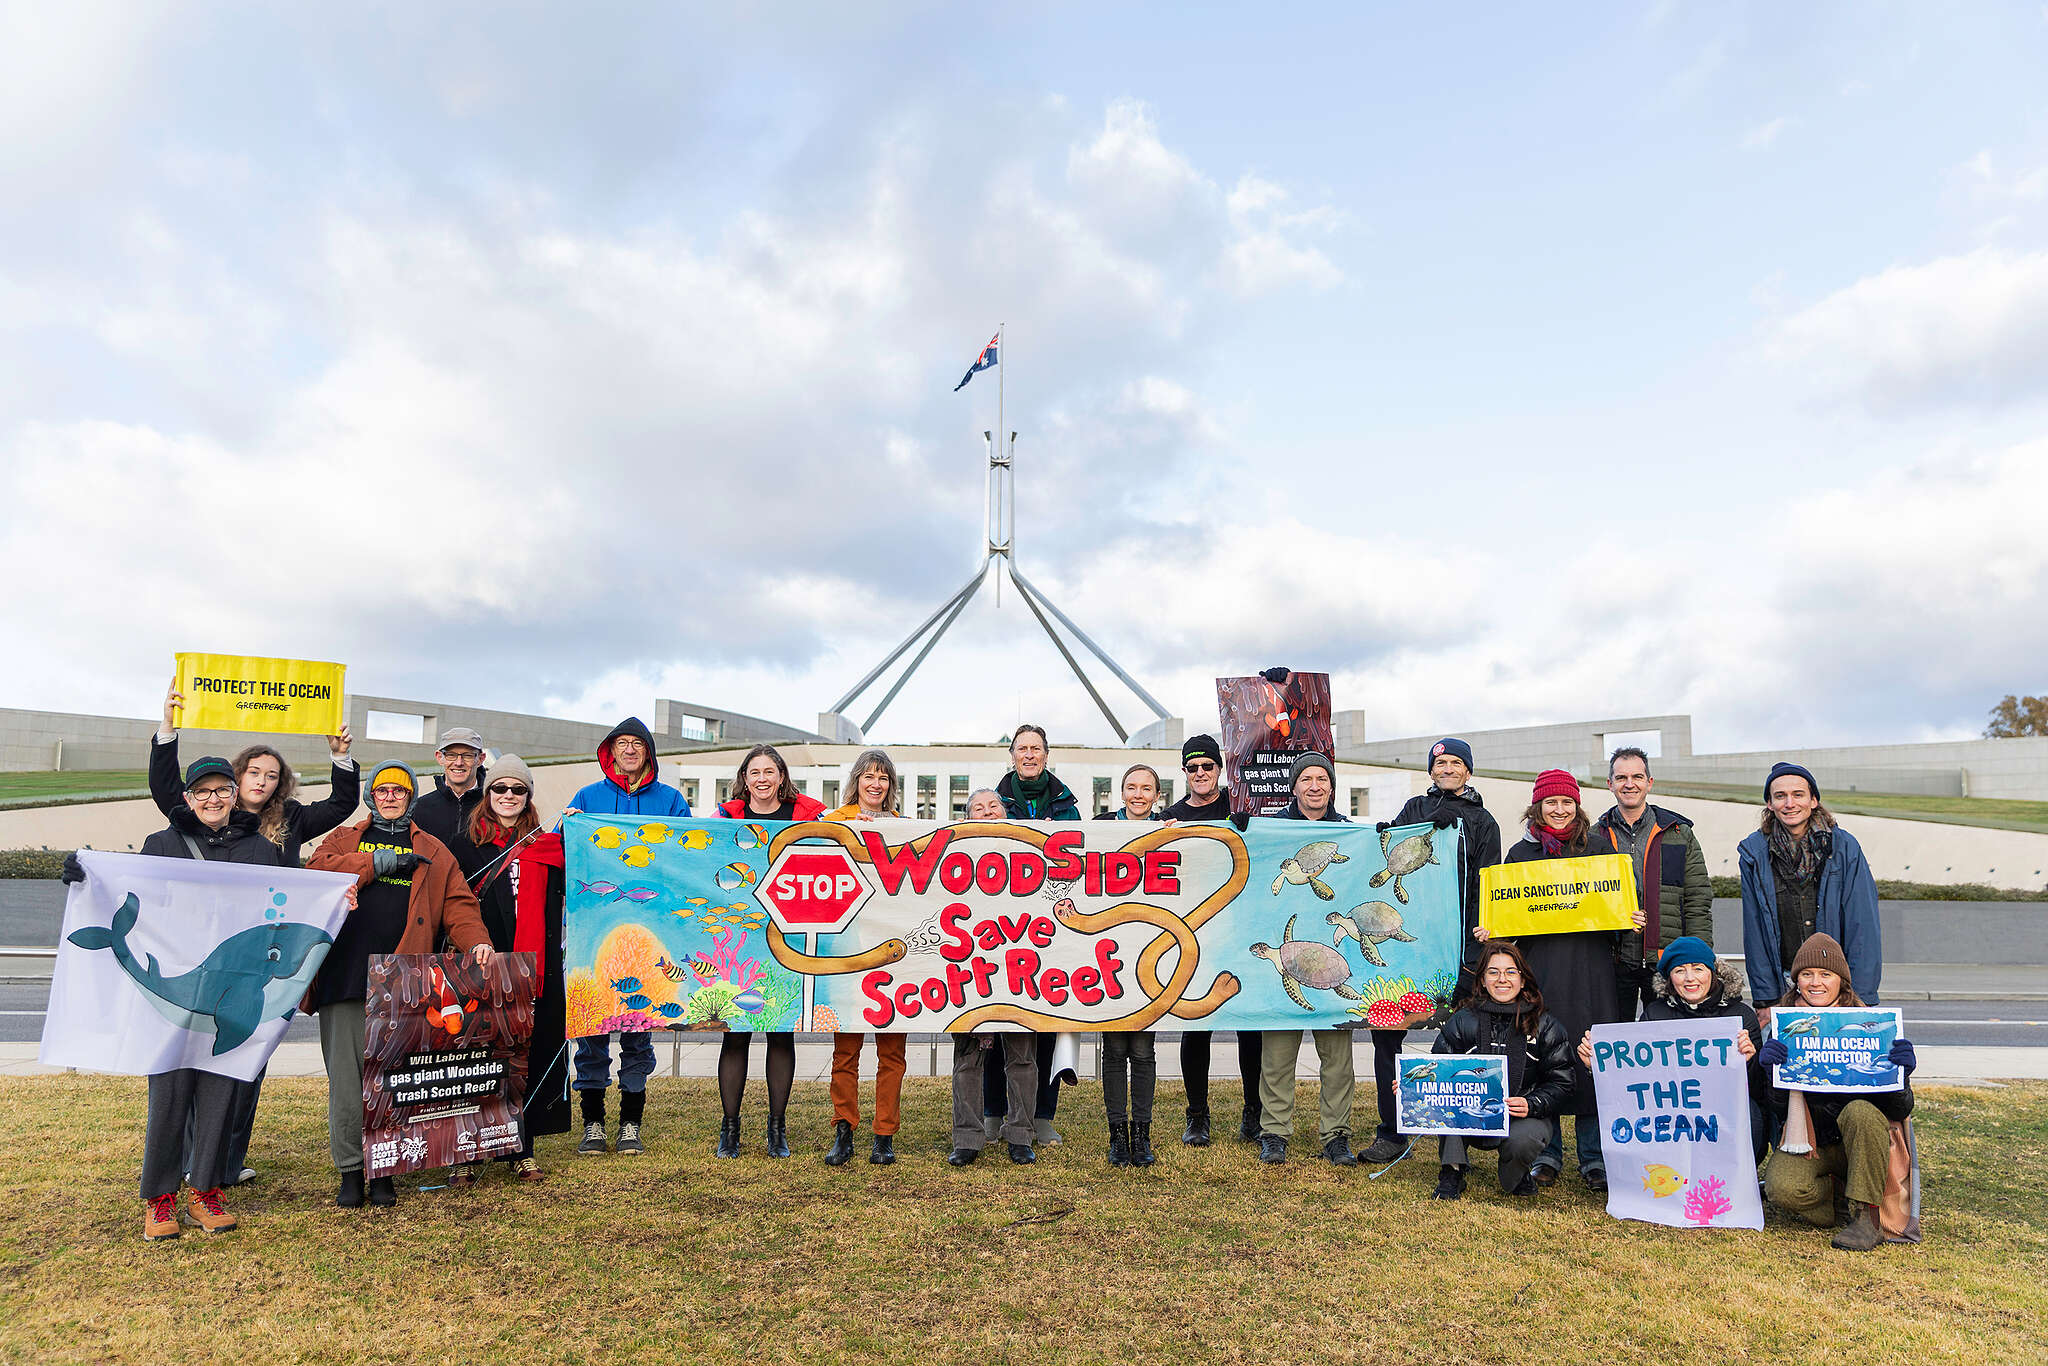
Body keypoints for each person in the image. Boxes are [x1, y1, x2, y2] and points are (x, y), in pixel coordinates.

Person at [148, 683, 361, 1188]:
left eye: (271, 775)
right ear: (234, 777)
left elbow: (341, 806)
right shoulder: (193, 822)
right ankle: (188, 1162)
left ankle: (224, 1162)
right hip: (201, 951)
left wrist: (342, 757)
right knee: (193, 1059)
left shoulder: (288, 821)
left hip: (260, 954)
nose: (261, 781)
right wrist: (168, 729)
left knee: (246, 1060)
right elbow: (164, 789)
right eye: (253, 773)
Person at [103, 754, 290, 1239]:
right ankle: (160, 1198)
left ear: (235, 794)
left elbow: (286, 903)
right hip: (178, 987)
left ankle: (206, 1189)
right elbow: (133, 895)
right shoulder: (163, 844)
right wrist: (85, 877)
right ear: (187, 797)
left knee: (221, 1089)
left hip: (231, 992)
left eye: (222, 789)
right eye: (202, 791)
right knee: (169, 1093)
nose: (213, 799)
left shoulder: (260, 848)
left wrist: (339, 899)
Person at [307, 762, 495, 1209]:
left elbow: (459, 906)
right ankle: (351, 1171)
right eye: (383, 789)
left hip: (404, 981)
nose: (391, 795)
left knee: (394, 1080)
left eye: (400, 789)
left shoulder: (431, 849)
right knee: (349, 1084)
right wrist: (377, 863)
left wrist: (479, 942)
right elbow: (318, 871)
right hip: (345, 978)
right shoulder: (344, 838)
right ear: (372, 795)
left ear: (411, 797)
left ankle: (386, 1169)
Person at [1362, 737, 1502, 1166]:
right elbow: (1381, 847)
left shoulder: (1484, 822)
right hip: (1409, 947)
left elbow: (1489, 885)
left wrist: (1475, 949)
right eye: (1440, 761)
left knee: (1462, 1040)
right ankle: (1391, 1130)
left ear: (1468, 771)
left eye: (1456, 762)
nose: (1447, 768)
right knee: (1387, 1038)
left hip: (1457, 949)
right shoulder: (1412, 809)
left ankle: (1454, 1142)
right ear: (1430, 770)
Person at [1502, 769, 1643, 1192]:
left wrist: (1630, 919)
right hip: (1539, 971)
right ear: (1538, 807)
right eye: (1551, 803)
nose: (1559, 810)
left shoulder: (1599, 850)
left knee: (1591, 1058)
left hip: (1591, 971)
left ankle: (1594, 1157)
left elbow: (1616, 914)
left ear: (1577, 806)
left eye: (1567, 802)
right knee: (1544, 1057)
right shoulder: (1520, 855)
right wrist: (1494, 929)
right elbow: (1509, 916)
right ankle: (1548, 1154)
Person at [563, 717, 691, 1156]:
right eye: (622, 744)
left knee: (641, 1023)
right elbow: (564, 852)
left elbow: (689, 855)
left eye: (638, 744)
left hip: (651, 931)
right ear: (610, 751)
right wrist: (570, 828)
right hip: (595, 929)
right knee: (592, 1025)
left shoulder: (671, 801)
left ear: (648, 752)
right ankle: (594, 1122)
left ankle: (630, 1123)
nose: (630, 750)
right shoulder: (588, 798)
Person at [1758, 933, 1917, 1251]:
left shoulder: (1870, 1025)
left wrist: (1900, 1076)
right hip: (1812, 1142)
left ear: (1840, 981)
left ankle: (1866, 1220)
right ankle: (1840, 1201)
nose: (1816, 983)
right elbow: (1775, 1110)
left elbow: (1899, 1110)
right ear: (1796, 981)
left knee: (1860, 1110)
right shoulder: (1786, 1028)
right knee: (1782, 1189)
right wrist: (1769, 1073)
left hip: (1865, 1144)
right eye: (1806, 974)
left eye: (1825, 974)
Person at [447, 754, 561, 1183]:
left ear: (528, 796)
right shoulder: (465, 844)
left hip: (535, 967)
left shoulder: (548, 845)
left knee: (526, 1056)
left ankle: (521, 1147)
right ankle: (469, 1150)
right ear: (487, 793)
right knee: (478, 1055)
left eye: (517, 789)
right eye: (499, 788)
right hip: (481, 963)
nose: (508, 796)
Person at [711, 745, 824, 1160]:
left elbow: (843, 837)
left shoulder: (807, 816)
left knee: (781, 1032)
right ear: (745, 777)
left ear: (781, 776)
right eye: (754, 771)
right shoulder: (722, 819)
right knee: (735, 1032)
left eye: (770, 771)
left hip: (787, 934)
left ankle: (777, 1129)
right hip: (737, 937)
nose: (762, 778)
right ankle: (730, 1128)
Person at [1580, 936, 1769, 1164]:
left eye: (1698, 969)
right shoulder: (1655, 1014)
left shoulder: (1740, 1016)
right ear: (1670, 978)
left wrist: (1749, 1061)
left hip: (1723, 1109)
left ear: (1713, 972)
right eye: (1680, 971)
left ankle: (1734, 1175)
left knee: (1751, 1113)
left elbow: (1759, 1089)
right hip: (1671, 1111)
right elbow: (1635, 1081)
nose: (1690, 978)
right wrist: (1598, 1067)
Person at [1258, 752, 1359, 1167]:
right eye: (1306, 779)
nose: (1314, 785)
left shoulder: (1351, 835)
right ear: (1294, 786)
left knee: (1338, 1056)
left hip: (1329, 952)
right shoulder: (1273, 832)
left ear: (1331, 787)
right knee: (1277, 1054)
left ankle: (1335, 1134)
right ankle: (1274, 1132)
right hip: (1292, 947)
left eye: (1322, 778)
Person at [1164, 734, 1260, 1148]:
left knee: (1248, 1026)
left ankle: (1253, 1112)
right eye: (1193, 768)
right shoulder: (1169, 816)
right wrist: (1159, 837)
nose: (1200, 774)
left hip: (1241, 927)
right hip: (1195, 932)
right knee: (1196, 1025)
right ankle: (1197, 1115)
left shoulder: (1241, 810)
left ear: (1220, 770)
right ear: (1184, 772)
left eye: (1208, 767)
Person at [1427, 940, 1574, 1200]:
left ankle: (1515, 1175)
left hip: (1520, 1115)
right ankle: (1452, 1171)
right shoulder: (1462, 1020)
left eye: (1510, 972)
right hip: (1469, 1114)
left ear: (1523, 979)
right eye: (1493, 972)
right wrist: (1410, 1086)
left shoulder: (1546, 1025)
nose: (1501, 979)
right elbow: (1439, 1070)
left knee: (1525, 1139)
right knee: (1448, 1101)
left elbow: (1563, 1082)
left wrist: (1533, 1103)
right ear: (1482, 980)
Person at [992, 724, 1081, 1145]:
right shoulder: (993, 802)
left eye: (1036, 748)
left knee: (1047, 1020)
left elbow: (1084, 856)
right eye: (1022, 748)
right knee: (994, 1020)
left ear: (1047, 755)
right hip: (1001, 928)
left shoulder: (1067, 805)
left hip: (1053, 928)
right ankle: (994, 1112)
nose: (1029, 755)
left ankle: (1042, 1114)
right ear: (1012, 755)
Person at [821, 749, 907, 1165]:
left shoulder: (906, 828)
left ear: (891, 786)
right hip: (848, 949)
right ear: (856, 780)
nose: (876, 784)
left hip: (894, 952)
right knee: (846, 1050)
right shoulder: (831, 821)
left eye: (884, 778)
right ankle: (844, 1129)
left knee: (892, 1053)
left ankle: (884, 1134)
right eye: (869, 776)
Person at [1739, 763, 1883, 1007]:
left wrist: (1861, 996)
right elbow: (1755, 932)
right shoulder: (1754, 853)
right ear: (1769, 804)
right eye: (1780, 796)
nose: (1789, 803)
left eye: (1798, 795)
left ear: (1814, 800)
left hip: (1838, 984)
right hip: (1784, 982)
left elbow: (1863, 925)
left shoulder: (1844, 848)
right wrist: (1765, 1000)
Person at [1587, 746, 1713, 1017]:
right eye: (1621, 778)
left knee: (1666, 1040)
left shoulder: (1679, 833)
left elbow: (1697, 900)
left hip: (1666, 962)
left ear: (1649, 783)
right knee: (1613, 1037)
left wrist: (1700, 959)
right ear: (1610, 784)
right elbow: (1584, 902)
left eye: (1637, 777)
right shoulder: (1594, 837)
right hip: (1613, 961)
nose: (1629, 784)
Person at [1092, 764, 1164, 1166]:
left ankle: (1142, 1134)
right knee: (1114, 1049)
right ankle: (1117, 1133)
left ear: (1156, 795)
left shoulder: (1170, 830)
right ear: (1121, 793)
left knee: (1144, 1050)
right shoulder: (1100, 828)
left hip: (1150, 951)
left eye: (1146, 788)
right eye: (1131, 788)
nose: (1138, 794)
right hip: (1109, 951)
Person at [412, 727, 490, 848]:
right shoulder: (419, 808)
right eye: (451, 755)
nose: (459, 762)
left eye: (467, 755)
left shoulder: (494, 806)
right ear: (439, 757)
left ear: (480, 759)